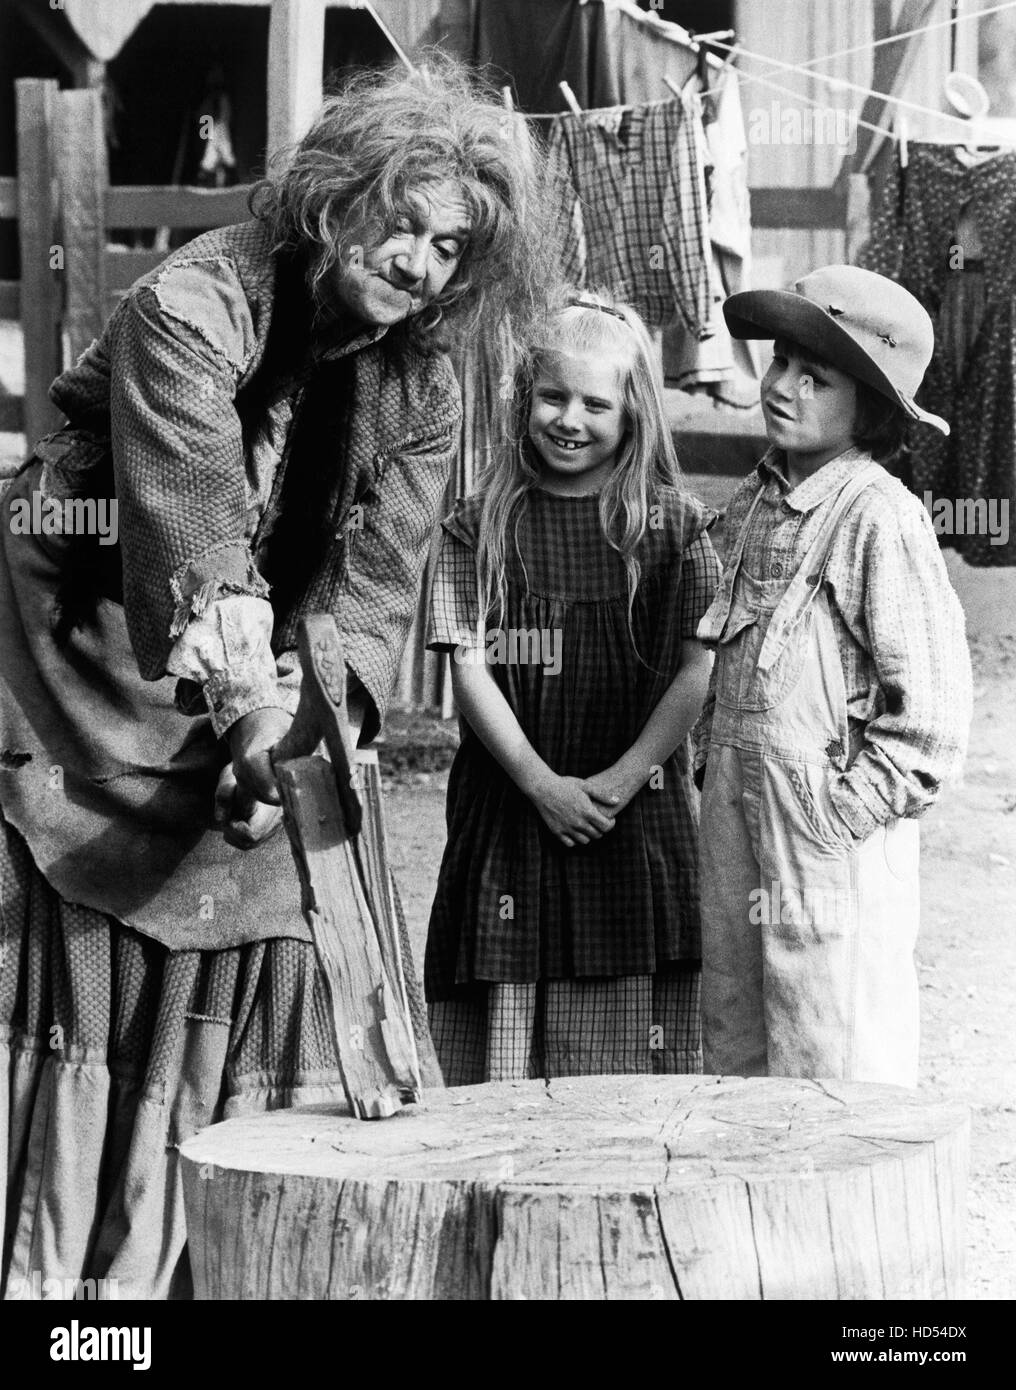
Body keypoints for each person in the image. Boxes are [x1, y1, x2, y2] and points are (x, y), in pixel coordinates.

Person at [0, 58, 553, 1299]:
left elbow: (370, 586)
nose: (416, 261)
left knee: (285, 872)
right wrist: (251, 712)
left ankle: (209, 1253)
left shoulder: (427, 378)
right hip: (86, 630)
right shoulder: (191, 305)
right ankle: (64, 1287)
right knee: (83, 899)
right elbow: (194, 525)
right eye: (397, 223)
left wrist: (298, 732)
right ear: (333, 199)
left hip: (252, 657)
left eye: (448, 247)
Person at [424, 292, 722, 1083]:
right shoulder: (478, 523)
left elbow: (697, 670)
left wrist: (620, 784)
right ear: (524, 401)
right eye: (553, 396)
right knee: (506, 1013)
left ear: (633, 414)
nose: (570, 418)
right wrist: (541, 786)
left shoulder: (672, 530)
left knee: (621, 1040)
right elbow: (467, 664)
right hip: (511, 801)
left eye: (596, 403)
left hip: (632, 810)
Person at [691, 264, 973, 1088]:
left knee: (830, 1042)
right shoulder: (755, 499)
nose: (784, 386)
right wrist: (713, 769)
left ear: (873, 409)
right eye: (780, 362)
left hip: (827, 842)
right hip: (738, 814)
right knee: (737, 1033)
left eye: (816, 378)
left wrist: (837, 815)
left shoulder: (880, 517)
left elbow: (933, 721)